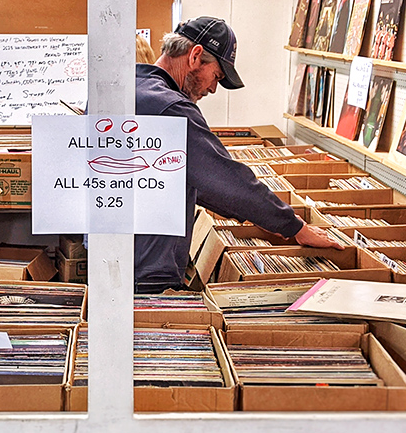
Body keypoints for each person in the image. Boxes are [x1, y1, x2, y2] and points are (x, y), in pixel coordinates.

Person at [134, 15, 342, 292]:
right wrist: (295, 228)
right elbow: (226, 181)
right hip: (148, 268)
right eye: (217, 76)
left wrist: (264, 217)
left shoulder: (126, 90)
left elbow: (193, 179)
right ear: (196, 56)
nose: (212, 88)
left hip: (111, 256)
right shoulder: (172, 110)